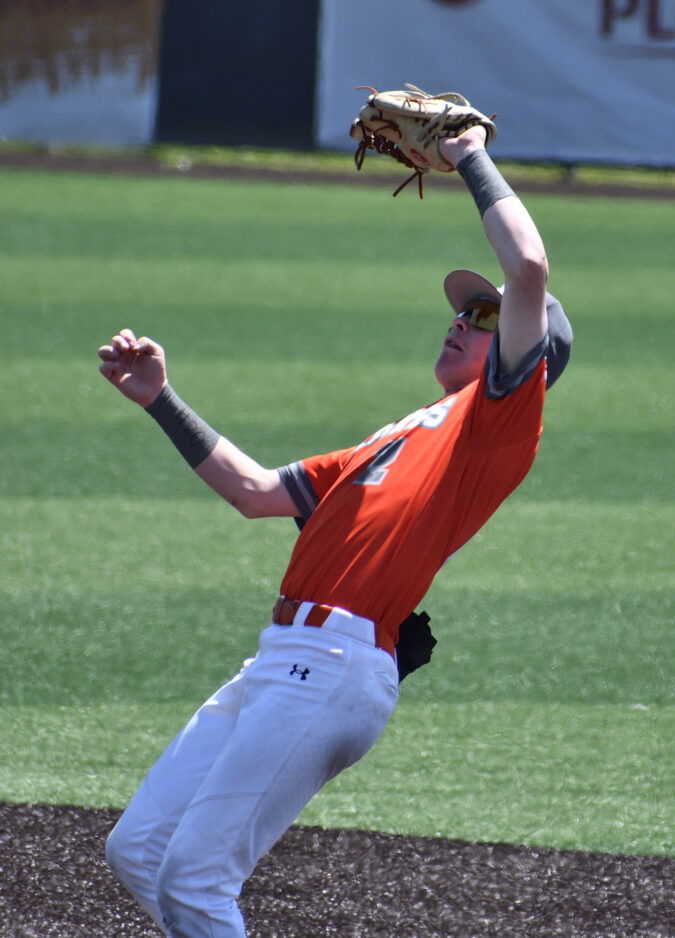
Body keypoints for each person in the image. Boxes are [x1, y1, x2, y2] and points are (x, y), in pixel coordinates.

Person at [98, 126, 572, 938]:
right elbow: (252, 492)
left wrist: (466, 156)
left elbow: (528, 267)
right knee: (139, 850)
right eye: (462, 307)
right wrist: (158, 399)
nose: (461, 319)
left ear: (528, 351)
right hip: (279, 661)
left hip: (335, 665)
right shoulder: (395, 437)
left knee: (195, 878)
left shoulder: (499, 419)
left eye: (483, 313)